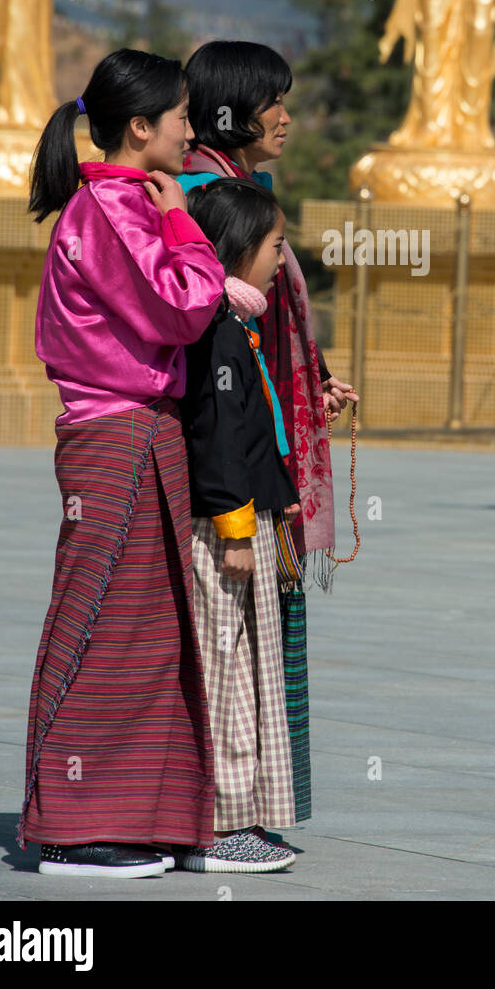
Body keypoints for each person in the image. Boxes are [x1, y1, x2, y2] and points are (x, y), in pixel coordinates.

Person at [19, 48, 226, 878]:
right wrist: (183, 221)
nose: (190, 129)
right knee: (103, 624)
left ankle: (134, 815)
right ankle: (72, 825)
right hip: (118, 434)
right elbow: (183, 306)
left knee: (150, 632)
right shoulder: (114, 213)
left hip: (141, 434)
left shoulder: (120, 202)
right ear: (139, 128)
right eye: (180, 116)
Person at [180, 39, 358, 824]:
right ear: (230, 112)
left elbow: (271, 323)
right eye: (270, 101)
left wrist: (310, 383)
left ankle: (263, 803)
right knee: (233, 643)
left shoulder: (246, 188)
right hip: (235, 470)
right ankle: (228, 812)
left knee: (268, 636)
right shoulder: (198, 199)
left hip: (268, 445)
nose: (285, 116)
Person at [181, 178, 303, 873]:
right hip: (225, 532)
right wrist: (234, 530)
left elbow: (254, 431)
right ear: (237, 250)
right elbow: (219, 438)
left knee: (241, 667)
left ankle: (235, 815)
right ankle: (218, 824)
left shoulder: (235, 327)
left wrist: (280, 497)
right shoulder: (220, 333)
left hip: (246, 521)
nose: (281, 260)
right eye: (275, 246)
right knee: (224, 672)